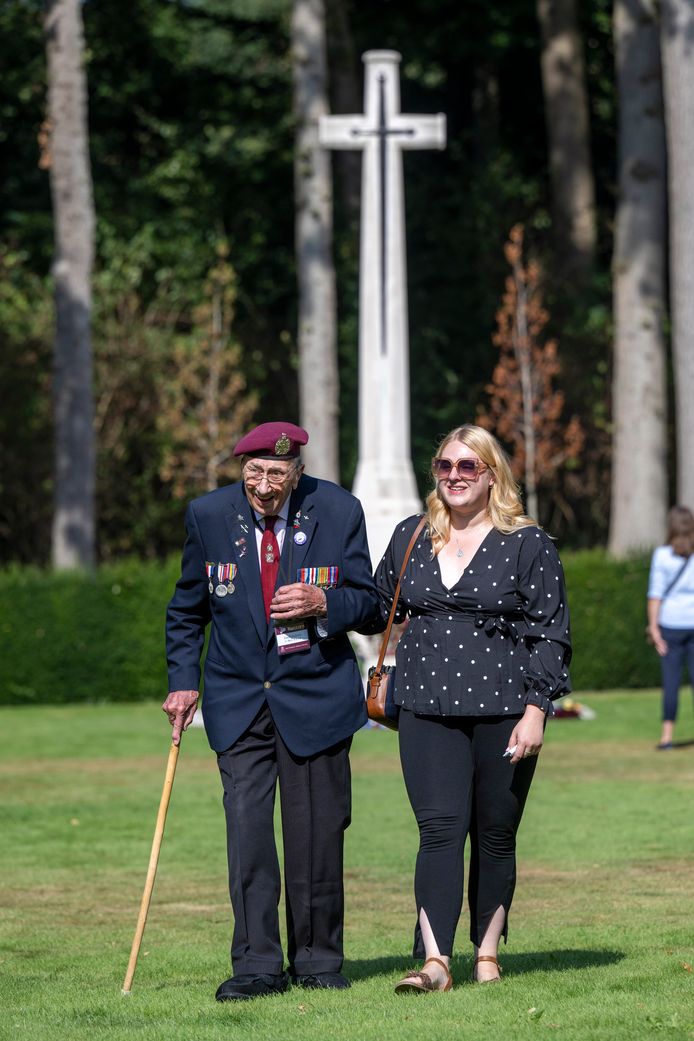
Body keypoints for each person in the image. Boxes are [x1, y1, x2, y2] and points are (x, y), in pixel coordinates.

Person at [163, 421, 379, 1001]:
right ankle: (256, 964)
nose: (263, 486)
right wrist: (183, 682)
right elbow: (187, 610)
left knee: (316, 836)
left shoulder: (337, 510)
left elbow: (373, 604)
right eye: (254, 473)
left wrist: (323, 601)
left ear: (297, 473)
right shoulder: (208, 516)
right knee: (250, 835)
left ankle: (317, 962)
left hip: (317, 699)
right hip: (238, 703)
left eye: (277, 475)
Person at [374, 424, 571, 993]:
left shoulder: (528, 542)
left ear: (492, 475)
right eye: (444, 466)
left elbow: (551, 634)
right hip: (426, 707)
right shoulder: (412, 534)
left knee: (495, 833)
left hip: (505, 710)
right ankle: (436, 963)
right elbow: (374, 602)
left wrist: (537, 709)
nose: (454, 476)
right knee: (438, 830)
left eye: (468, 467)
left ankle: (486, 956)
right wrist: (317, 601)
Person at [647, 505, 694, 750]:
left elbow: (656, 595)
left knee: (671, 683)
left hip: (671, 626)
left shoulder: (662, 555)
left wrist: (654, 628)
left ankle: (666, 737)